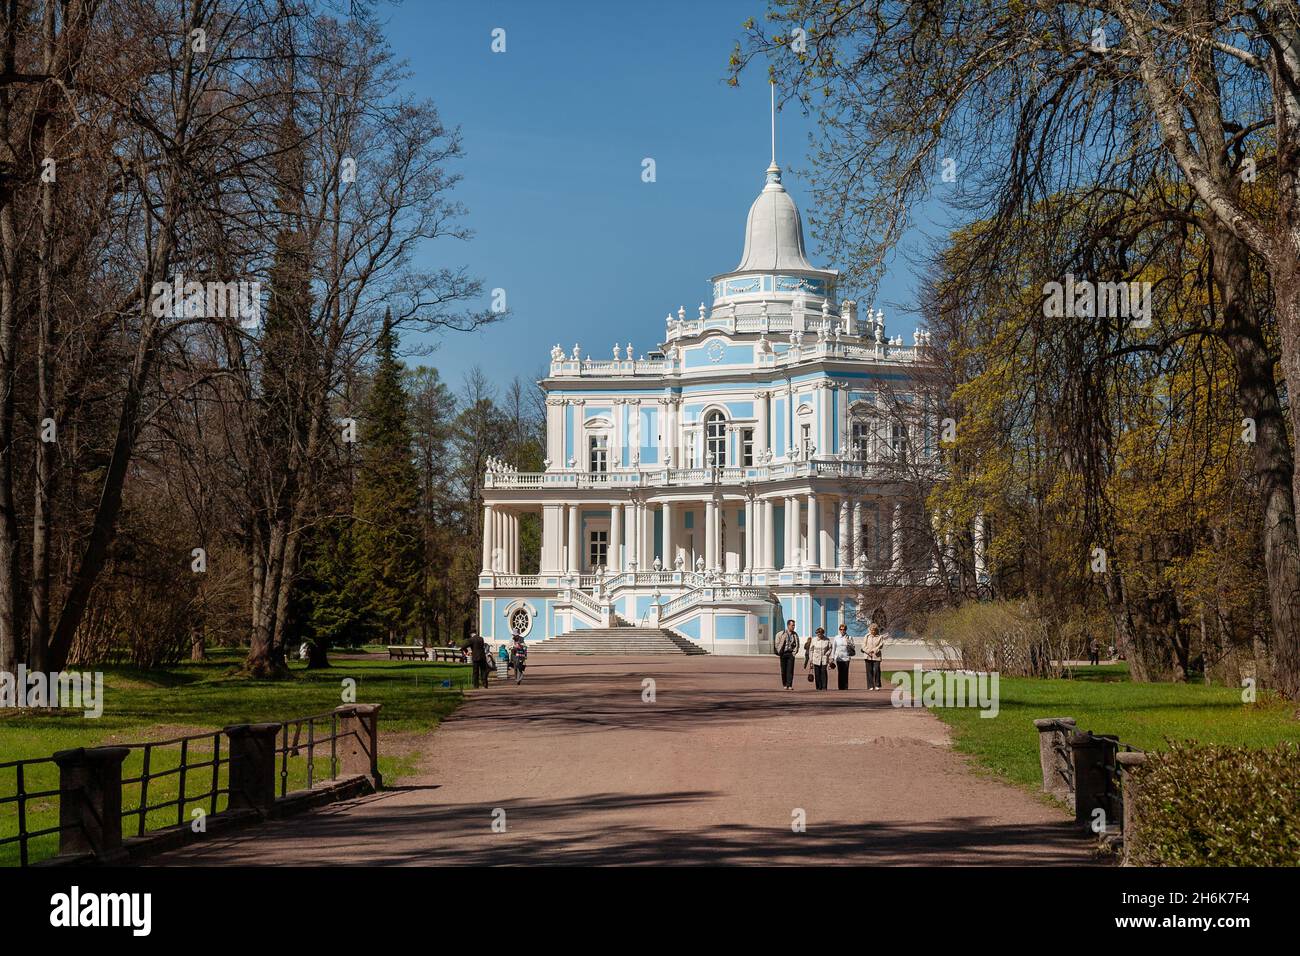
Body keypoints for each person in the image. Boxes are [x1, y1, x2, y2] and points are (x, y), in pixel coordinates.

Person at [775, 619, 800, 690]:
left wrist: (794, 653)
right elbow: (777, 643)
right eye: (792, 625)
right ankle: (785, 684)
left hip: (790, 654)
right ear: (788, 625)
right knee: (783, 670)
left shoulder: (795, 634)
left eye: (794, 625)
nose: (793, 627)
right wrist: (779, 651)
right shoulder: (781, 633)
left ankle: (790, 685)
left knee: (790, 670)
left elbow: (797, 644)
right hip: (783, 653)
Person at [830, 623, 855, 690]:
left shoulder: (849, 637)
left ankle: (845, 686)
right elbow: (834, 648)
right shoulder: (836, 637)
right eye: (841, 629)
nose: (842, 631)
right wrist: (832, 657)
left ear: (846, 630)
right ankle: (840, 687)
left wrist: (848, 642)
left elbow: (853, 646)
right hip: (839, 657)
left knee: (845, 672)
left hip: (846, 657)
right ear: (839, 630)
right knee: (840, 672)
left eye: (844, 629)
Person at [863, 622, 886, 690]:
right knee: (869, 671)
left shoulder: (879, 637)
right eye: (872, 630)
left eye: (874, 630)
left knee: (877, 670)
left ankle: (877, 684)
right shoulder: (866, 636)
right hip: (867, 655)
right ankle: (870, 685)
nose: (873, 631)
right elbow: (863, 646)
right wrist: (868, 651)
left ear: (876, 630)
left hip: (876, 656)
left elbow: (880, 645)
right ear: (870, 630)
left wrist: (874, 650)